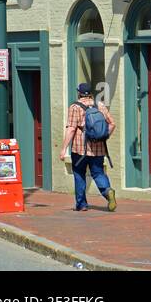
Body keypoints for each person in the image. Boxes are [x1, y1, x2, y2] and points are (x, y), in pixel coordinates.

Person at [60, 82, 117, 212]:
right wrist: (103, 136)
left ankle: (81, 204)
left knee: (79, 173)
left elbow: (71, 129)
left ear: (79, 93)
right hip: (99, 148)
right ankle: (107, 191)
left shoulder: (75, 107)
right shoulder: (100, 105)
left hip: (80, 149)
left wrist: (63, 149)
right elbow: (112, 124)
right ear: (91, 93)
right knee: (98, 173)